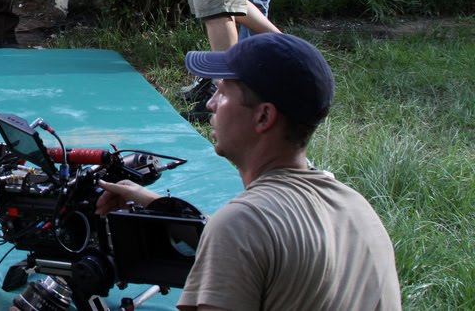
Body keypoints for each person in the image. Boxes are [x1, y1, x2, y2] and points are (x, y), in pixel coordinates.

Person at [98, 33, 402, 310]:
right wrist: (155, 206)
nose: (210, 103)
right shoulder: (357, 208)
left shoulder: (241, 225)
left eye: (222, 93)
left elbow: (246, 236)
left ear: (264, 117)